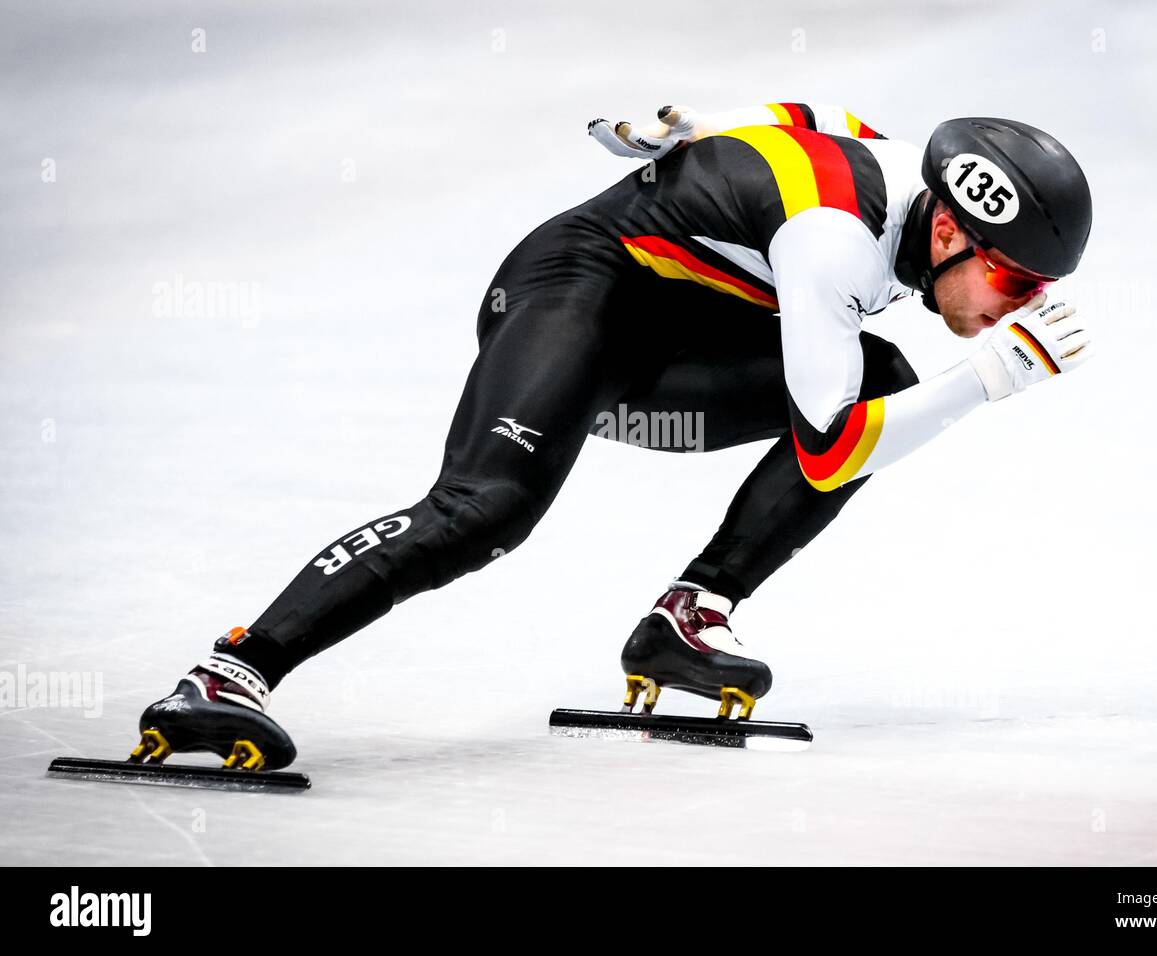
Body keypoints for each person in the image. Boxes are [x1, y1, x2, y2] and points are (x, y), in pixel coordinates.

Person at [132, 101, 1093, 771]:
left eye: (1035, 296)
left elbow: (804, 117)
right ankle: (229, 673)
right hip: (565, 297)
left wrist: (696, 124)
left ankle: (684, 621)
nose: (1016, 308)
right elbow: (833, 450)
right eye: (1013, 283)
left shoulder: (887, 161)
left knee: (878, 374)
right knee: (485, 510)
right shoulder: (832, 243)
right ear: (947, 235)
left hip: (660, 349)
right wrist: (991, 378)